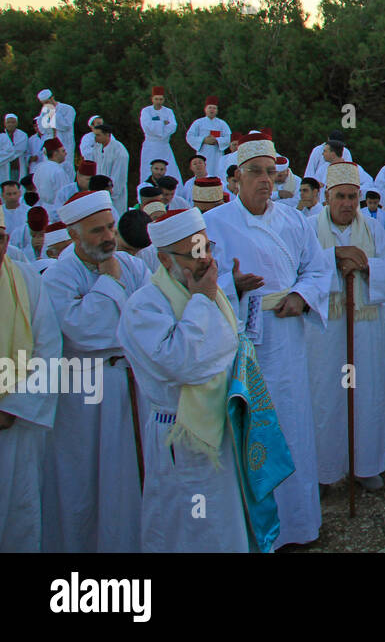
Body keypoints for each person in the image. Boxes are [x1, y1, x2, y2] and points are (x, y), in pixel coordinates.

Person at [202, 134, 333, 548]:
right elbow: (196, 280)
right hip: (241, 338)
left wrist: (300, 296)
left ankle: (298, 525)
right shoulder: (215, 223)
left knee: (292, 422)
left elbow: (317, 270)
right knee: (251, 427)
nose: (264, 180)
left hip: (288, 335)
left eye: (270, 173)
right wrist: (232, 285)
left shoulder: (294, 220)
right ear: (237, 178)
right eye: (255, 172)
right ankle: (253, 529)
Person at [118, 207, 249, 551]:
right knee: (184, 531)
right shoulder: (144, 306)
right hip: (179, 436)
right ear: (164, 259)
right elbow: (183, 363)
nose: (204, 259)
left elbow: (230, 347)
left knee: (222, 527)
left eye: (205, 247)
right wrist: (201, 301)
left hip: (218, 428)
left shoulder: (209, 292)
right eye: (193, 253)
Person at [36, 189, 148, 552]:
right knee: (84, 483)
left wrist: (116, 288)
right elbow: (87, 331)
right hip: (84, 396)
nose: (109, 237)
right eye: (97, 231)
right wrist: (111, 283)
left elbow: (148, 319)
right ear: (74, 235)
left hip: (131, 386)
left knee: (127, 482)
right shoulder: (59, 277)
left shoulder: (133, 265)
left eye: (111, 227)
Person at [303, 162, 385, 493]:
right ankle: (326, 470)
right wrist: (334, 258)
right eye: (340, 196)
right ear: (327, 197)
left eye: (353, 197)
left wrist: (364, 265)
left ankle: (366, 465)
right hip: (324, 331)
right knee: (326, 396)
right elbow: (299, 270)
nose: (347, 203)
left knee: (367, 394)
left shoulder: (373, 229)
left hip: (365, 327)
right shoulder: (307, 229)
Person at [0, 205, 55, 551]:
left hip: (14, 425)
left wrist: (12, 407)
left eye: (0, 237)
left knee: (17, 517)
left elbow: (47, 348)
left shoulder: (25, 279)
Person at [138, 86, 181, 184]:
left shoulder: (168, 111)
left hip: (164, 145)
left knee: (169, 169)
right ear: (152, 99)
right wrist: (162, 123)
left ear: (163, 100)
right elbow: (147, 126)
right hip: (150, 145)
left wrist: (160, 131)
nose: (158, 101)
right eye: (156, 99)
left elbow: (173, 126)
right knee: (148, 169)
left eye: (161, 99)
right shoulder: (146, 111)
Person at [87, 122, 130, 217]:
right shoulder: (97, 147)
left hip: (114, 195)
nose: (95, 138)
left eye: (98, 135)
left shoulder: (119, 151)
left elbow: (119, 176)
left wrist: (109, 192)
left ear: (107, 135)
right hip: (99, 193)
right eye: (95, 135)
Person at [34, 89, 76, 182]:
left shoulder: (68, 109)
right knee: (50, 170)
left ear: (52, 98)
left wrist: (54, 114)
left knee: (66, 169)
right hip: (50, 146)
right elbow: (42, 129)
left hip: (64, 145)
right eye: (43, 103)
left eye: (47, 102)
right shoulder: (44, 112)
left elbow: (66, 126)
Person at [185, 97, 231, 175]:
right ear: (205, 109)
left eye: (214, 108)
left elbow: (228, 138)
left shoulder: (222, 124)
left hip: (217, 154)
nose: (212, 110)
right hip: (203, 152)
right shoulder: (198, 123)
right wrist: (203, 140)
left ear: (217, 110)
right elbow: (189, 136)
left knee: (218, 172)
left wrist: (217, 140)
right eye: (210, 108)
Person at [1, 114, 29, 184]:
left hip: (17, 166)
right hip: (3, 166)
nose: (11, 124)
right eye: (8, 122)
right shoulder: (1, 135)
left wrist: (7, 153)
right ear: (5, 123)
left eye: (13, 122)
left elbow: (19, 150)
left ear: (17, 123)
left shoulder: (23, 135)